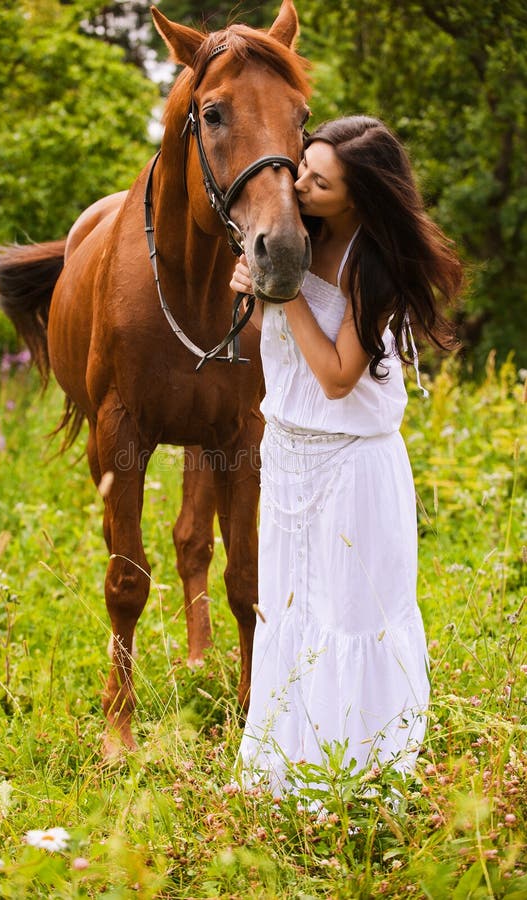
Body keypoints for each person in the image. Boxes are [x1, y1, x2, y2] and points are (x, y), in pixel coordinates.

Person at [230, 115, 463, 797]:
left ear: (357, 195)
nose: (296, 181)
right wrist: (251, 288)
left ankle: (355, 783)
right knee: (291, 610)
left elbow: (335, 377)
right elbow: (275, 352)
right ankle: (286, 770)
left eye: (317, 180)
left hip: (351, 468)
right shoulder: (298, 238)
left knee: (350, 619)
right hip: (289, 458)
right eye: (304, 166)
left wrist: (283, 290)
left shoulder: (373, 264)